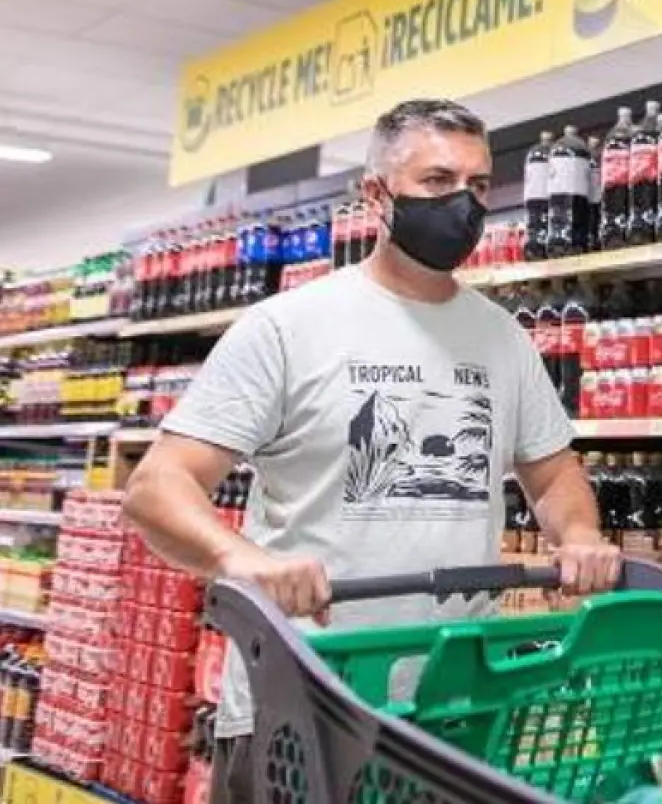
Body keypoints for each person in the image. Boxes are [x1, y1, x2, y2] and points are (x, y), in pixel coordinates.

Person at [124, 99, 621, 803]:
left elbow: (552, 471)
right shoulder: (287, 328)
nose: (463, 205)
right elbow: (157, 487)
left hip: (452, 708)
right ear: (376, 195)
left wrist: (580, 533)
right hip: (301, 702)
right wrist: (244, 559)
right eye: (437, 181)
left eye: (478, 186)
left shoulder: (503, 337)